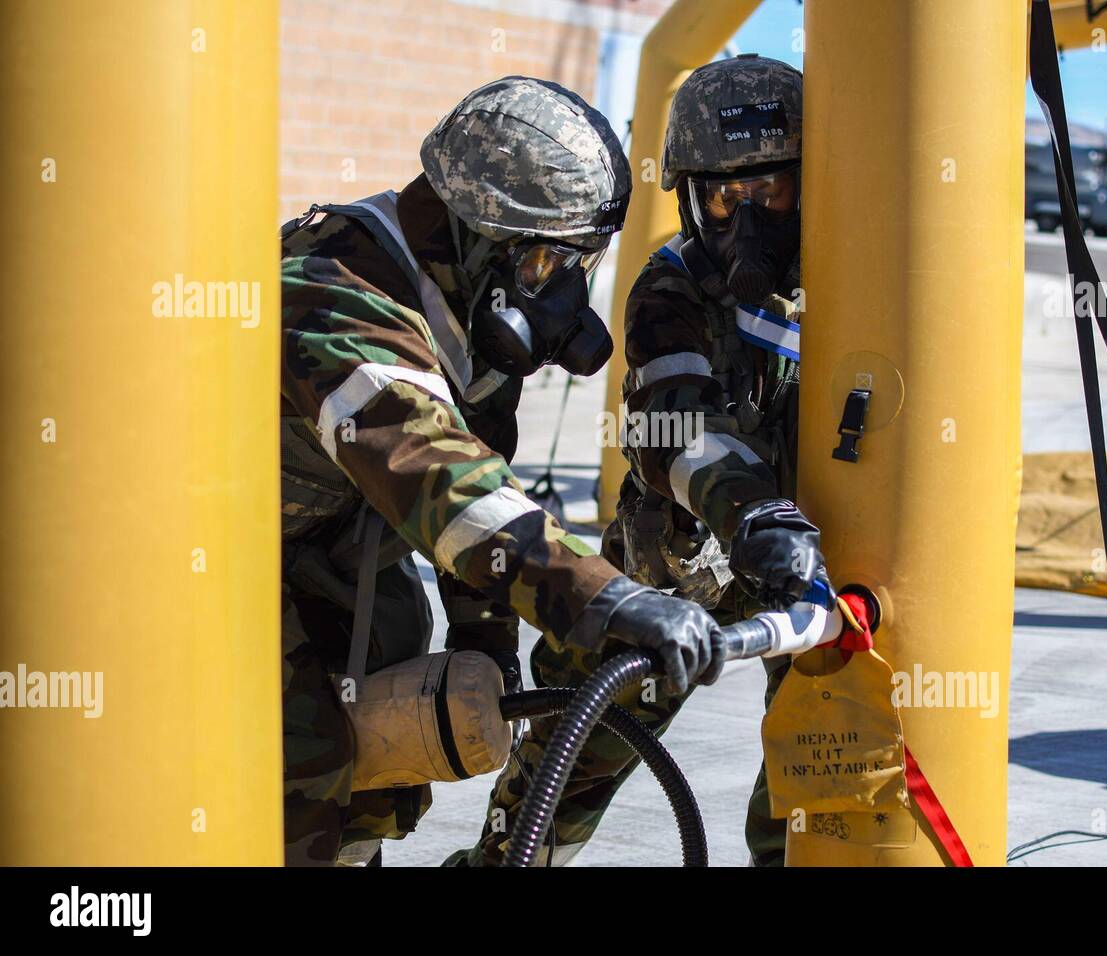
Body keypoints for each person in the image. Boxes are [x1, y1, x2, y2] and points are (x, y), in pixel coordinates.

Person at [279, 76, 725, 866]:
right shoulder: (341, 306)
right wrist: (611, 601)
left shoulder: (463, 302)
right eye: (548, 262)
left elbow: (483, 467)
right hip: (200, 558)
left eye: (578, 264)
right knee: (304, 754)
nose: (561, 300)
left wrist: (485, 646)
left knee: (395, 727)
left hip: (325, 535)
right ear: (475, 234)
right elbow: (445, 485)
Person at [452, 55, 827, 868]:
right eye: (726, 199)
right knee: (554, 788)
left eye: (771, 194)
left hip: (806, 573)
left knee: (810, 803)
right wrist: (752, 509)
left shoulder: (853, 287)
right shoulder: (671, 287)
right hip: (676, 577)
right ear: (690, 198)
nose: (748, 223)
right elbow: (671, 428)